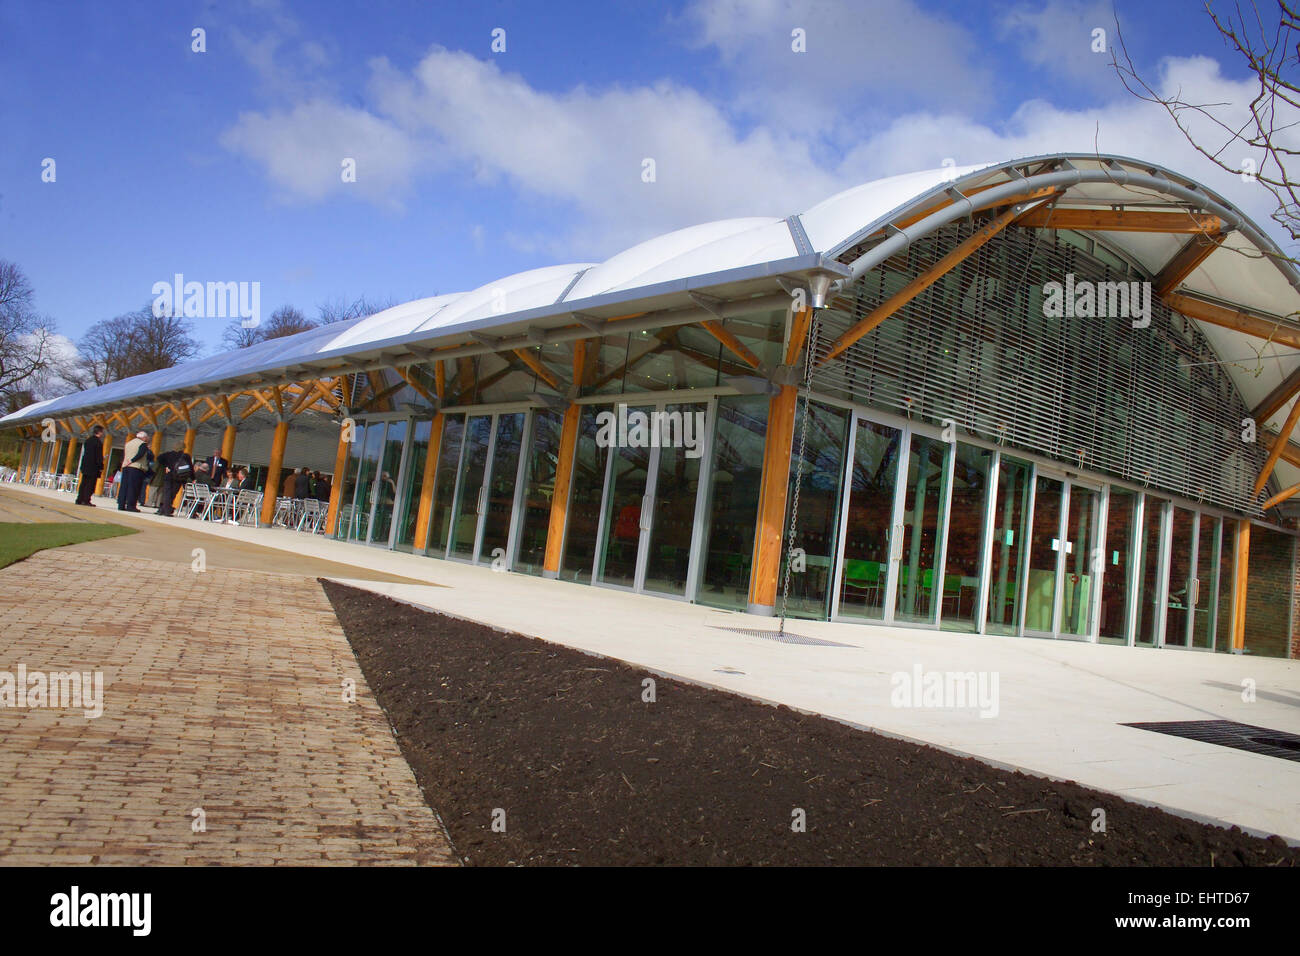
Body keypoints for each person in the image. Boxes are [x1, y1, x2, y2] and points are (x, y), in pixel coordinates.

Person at [155, 442, 193, 517]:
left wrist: (166, 466)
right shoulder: (185, 456)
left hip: (168, 476)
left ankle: (163, 509)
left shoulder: (168, 454)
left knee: (167, 493)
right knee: (172, 494)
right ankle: (166, 510)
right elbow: (190, 468)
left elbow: (159, 458)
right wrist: (193, 478)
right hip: (179, 477)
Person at [117, 431, 149, 512]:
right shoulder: (143, 444)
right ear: (144, 438)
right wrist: (132, 460)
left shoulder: (128, 443)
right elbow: (140, 454)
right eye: (146, 438)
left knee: (124, 486)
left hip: (126, 466)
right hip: (136, 467)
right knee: (133, 487)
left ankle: (121, 504)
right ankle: (131, 506)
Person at [74, 425, 105, 506]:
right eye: (102, 431)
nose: (103, 433)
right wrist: (101, 466)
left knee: (84, 483)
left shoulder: (88, 440)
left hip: (85, 465)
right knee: (90, 484)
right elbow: (98, 456)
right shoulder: (98, 442)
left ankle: (79, 499)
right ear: (99, 432)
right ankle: (86, 500)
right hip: (93, 466)